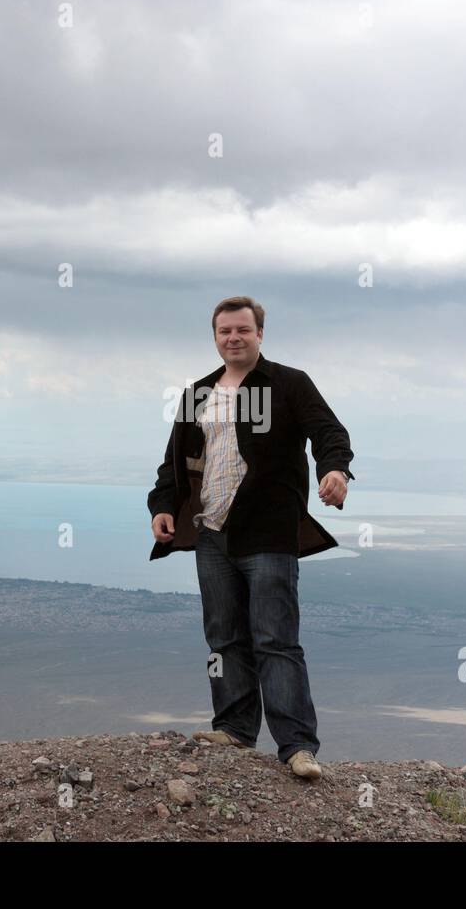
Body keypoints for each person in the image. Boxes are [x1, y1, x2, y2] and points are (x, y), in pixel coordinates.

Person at [147, 296, 356, 779]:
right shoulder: (197, 394)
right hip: (210, 534)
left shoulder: (288, 384)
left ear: (260, 334)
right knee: (223, 638)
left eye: (243, 330)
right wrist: (162, 506)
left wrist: (336, 471)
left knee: (276, 640)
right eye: (225, 331)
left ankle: (298, 747)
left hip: (268, 534)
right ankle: (235, 730)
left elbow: (329, 433)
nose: (234, 338)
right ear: (215, 337)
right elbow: (172, 464)